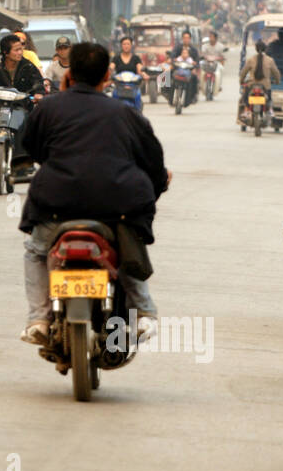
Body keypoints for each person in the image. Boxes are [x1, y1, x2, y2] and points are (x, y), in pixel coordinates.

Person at [18, 43, 170, 344]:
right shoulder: (126, 114)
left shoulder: (48, 108)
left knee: (36, 251)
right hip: (118, 206)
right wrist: (153, 190)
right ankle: (143, 314)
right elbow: (154, 164)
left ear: (70, 74)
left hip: (55, 204)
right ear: (107, 76)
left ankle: (38, 319)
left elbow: (29, 151)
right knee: (129, 244)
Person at [0, 34, 44, 180]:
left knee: (25, 126)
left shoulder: (28, 67)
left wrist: (38, 93)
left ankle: (24, 162)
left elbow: (39, 84)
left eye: (21, 49)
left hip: (21, 107)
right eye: (16, 50)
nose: (20, 52)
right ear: (6, 52)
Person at [238, 40, 280, 121]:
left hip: (252, 85)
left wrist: (241, 81)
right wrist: (277, 81)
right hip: (265, 86)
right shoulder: (270, 60)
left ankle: (247, 110)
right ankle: (270, 110)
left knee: (245, 98)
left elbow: (243, 73)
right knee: (269, 99)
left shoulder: (250, 60)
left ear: (256, 49)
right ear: (265, 49)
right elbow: (276, 73)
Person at [111, 36, 147, 109]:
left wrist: (143, 74)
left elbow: (139, 68)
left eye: (128, 44)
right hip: (119, 85)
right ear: (121, 45)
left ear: (131, 45)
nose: (126, 46)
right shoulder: (116, 58)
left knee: (138, 97)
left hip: (133, 85)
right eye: (124, 44)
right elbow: (111, 67)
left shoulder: (136, 58)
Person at [201, 30, 227, 94]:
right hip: (206, 62)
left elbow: (223, 55)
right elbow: (202, 53)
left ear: (215, 38)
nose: (210, 38)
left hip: (216, 63)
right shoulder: (205, 46)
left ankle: (219, 85)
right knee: (200, 69)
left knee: (221, 70)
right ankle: (200, 85)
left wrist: (222, 58)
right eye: (209, 37)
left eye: (212, 37)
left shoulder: (220, 46)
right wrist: (204, 57)